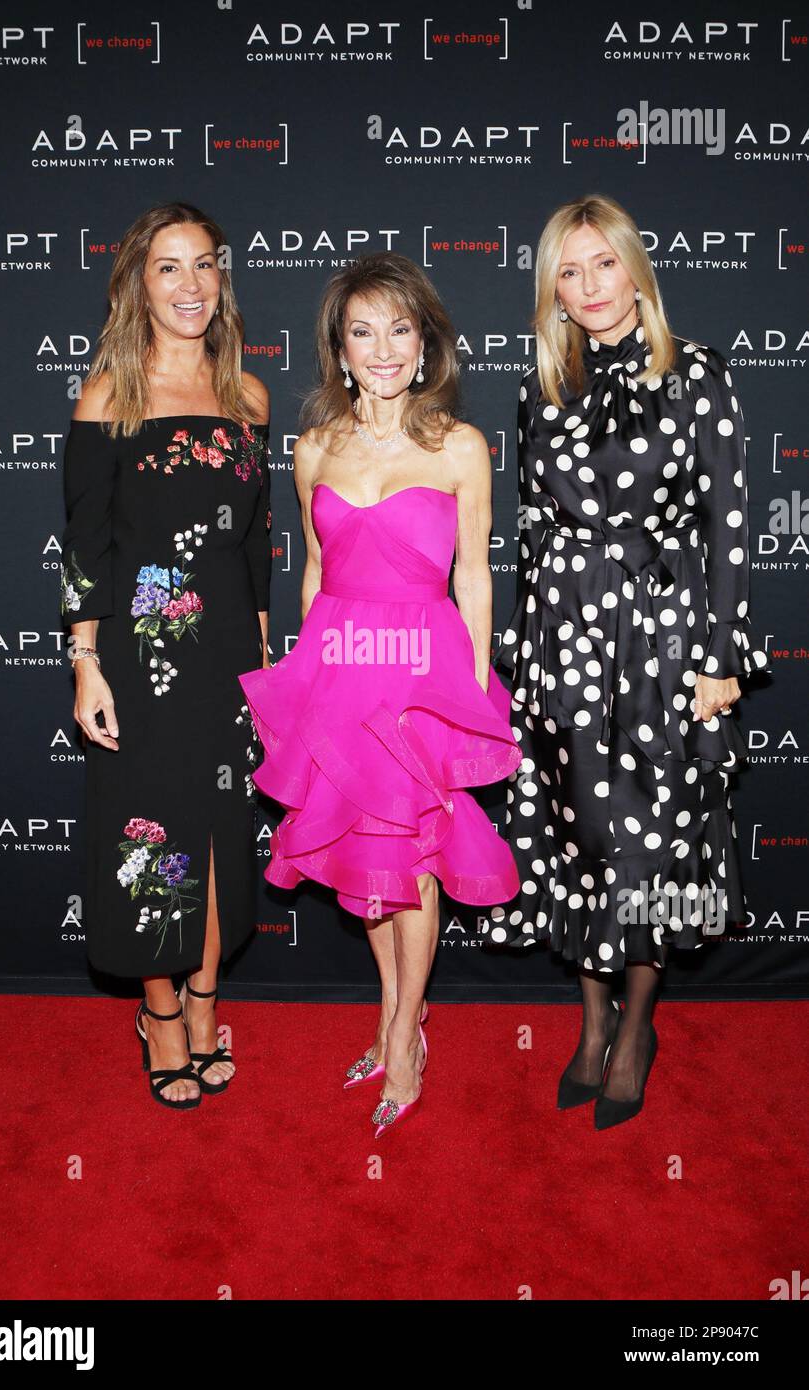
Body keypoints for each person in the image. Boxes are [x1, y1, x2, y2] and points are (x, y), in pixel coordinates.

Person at [484, 193, 768, 1129]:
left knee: (653, 843)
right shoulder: (541, 388)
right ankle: (592, 1015)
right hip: (565, 644)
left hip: (664, 644)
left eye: (603, 263)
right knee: (583, 838)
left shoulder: (699, 375)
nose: (589, 285)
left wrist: (723, 658)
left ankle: (637, 1028)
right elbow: (528, 534)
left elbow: (731, 529)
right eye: (568, 271)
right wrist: (524, 653)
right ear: (552, 294)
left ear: (635, 269)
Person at [238, 252, 522, 1137]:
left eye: (400, 327)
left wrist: (469, 688)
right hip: (340, 662)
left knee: (415, 855)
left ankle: (405, 1033)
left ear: (425, 339)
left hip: (420, 670)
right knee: (366, 862)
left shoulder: (460, 446)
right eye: (364, 330)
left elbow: (475, 575)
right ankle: (396, 1007)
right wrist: (305, 673)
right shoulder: (314, 444)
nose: (384, 347)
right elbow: (315, 572)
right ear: (340, 346)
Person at [60, 201, 272, 1110]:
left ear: (223, 278)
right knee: (151, 839)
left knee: (221, 841)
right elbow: (85, 543)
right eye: (168, 268)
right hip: (142, 654)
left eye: (204, 265)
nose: (190, 285)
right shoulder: (112, 391)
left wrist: (264, 648)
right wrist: (85, 659)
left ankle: (205, 1004)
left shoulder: (248, 396)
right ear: (137, 286)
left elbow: (262, 544)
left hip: (226, 649)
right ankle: (158, 1015)